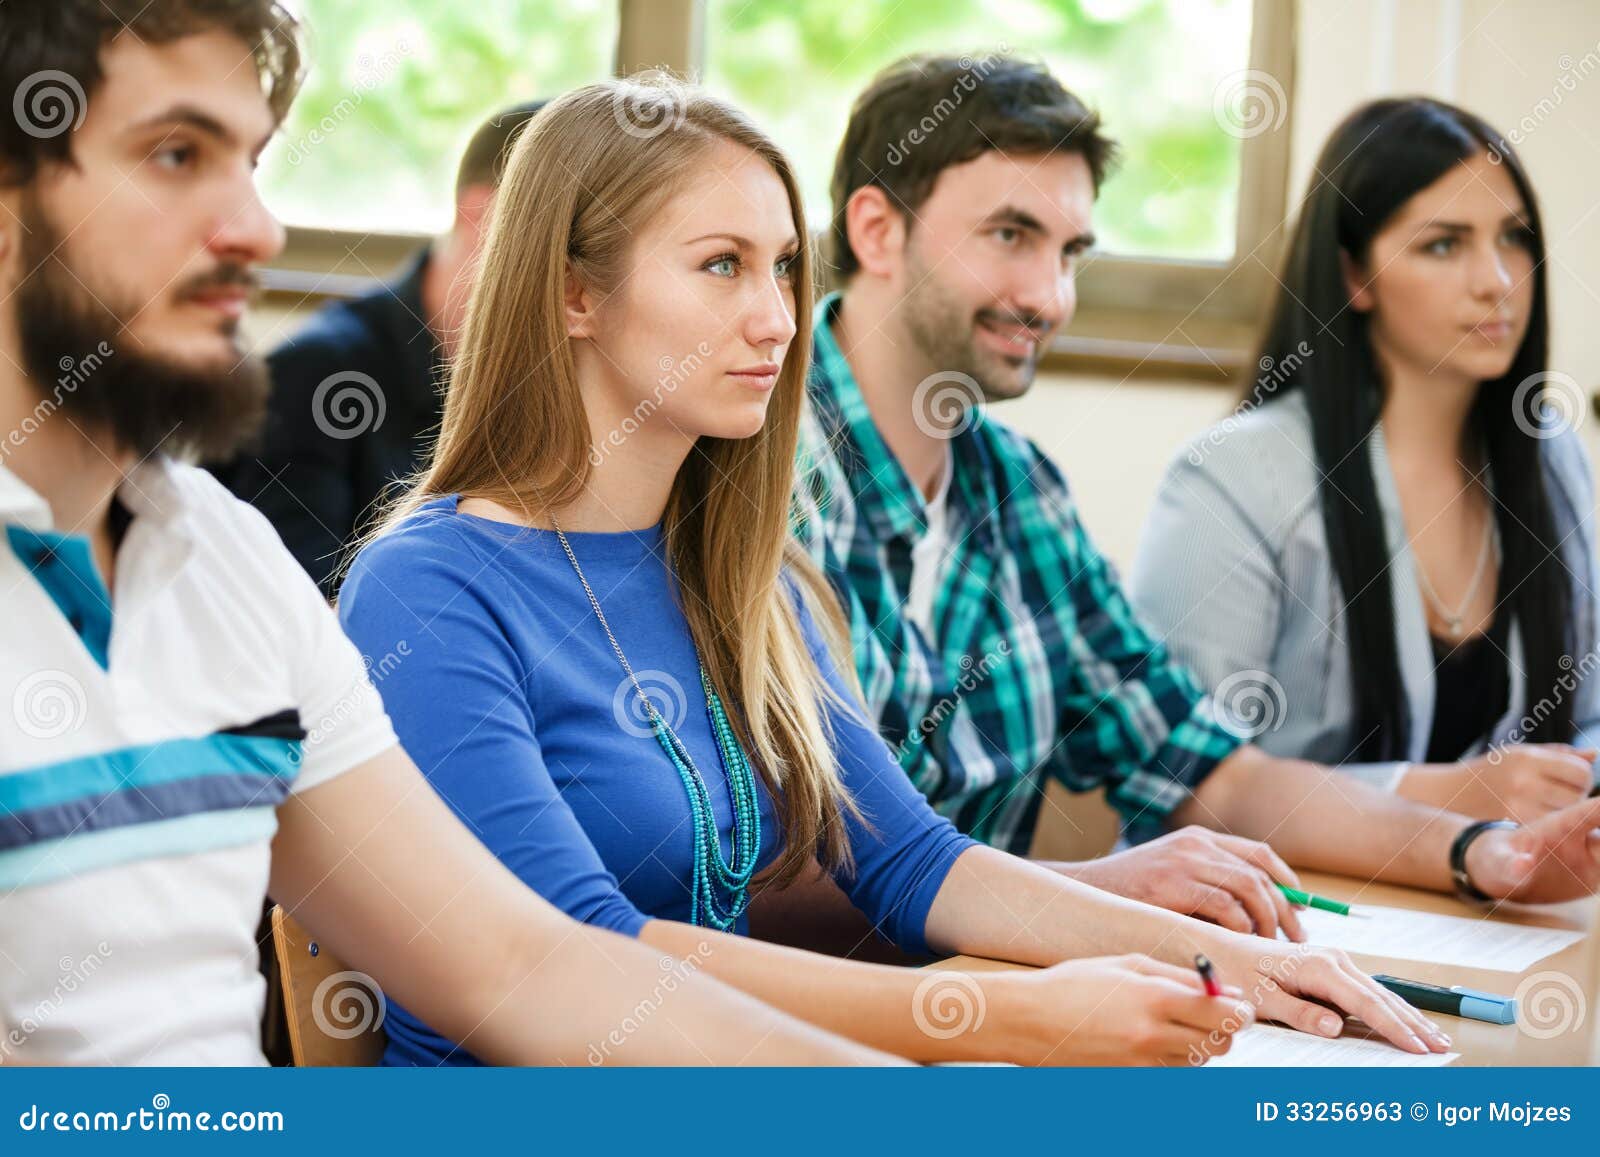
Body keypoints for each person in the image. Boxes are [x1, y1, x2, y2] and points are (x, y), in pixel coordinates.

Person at [339, 76, 1463, 1069]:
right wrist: (1003, 1012)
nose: (776, 317)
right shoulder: (429, 589)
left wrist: (1228, 965)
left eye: (783, 266)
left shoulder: (744, 572)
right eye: (722, 265)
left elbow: (913, 858)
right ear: (574, 294)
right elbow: (586, 954)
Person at [0, 0, 890, 1068]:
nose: (258, 229)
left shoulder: (223, 557)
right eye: (176, 154)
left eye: (253, 162)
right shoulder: (423, 579)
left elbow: (522, 964)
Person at [786, 52, 1600, 933]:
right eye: (1009, 235)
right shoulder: (766, 485)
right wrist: (1103, 887)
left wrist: (1478, 851)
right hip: (799, 1029)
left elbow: (1215, 772)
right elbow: (761, 878)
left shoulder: (1020, 491)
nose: (1049, 297)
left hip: (986, 993)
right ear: (875, 229)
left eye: (1071, 252)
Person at [1130, 97, 1599, 826]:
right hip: (1288, 916)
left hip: (1511, 916)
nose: (1497, 281)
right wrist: (1440, 796)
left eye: (1513, 238)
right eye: (1443, 244)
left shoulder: (1552, 455)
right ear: (1356, 275)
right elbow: (1177, 782)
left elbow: (1590, 716)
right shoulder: (1230, 477)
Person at [222, 100, 546, 596]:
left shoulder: (549, 382)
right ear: (484, 215)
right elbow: (300, 616)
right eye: (570, 239)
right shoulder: (316, 375)